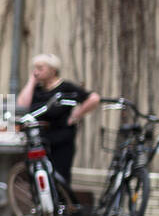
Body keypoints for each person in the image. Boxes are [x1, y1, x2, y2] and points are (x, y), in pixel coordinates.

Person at [16, 52, 100, 189]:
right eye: (34, 68)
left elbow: (94, 98)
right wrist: (31, 81)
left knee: (59, 177)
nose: (36, 72)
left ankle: (62, 206)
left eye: (40, 68)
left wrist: (76, 115)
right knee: (37, 176)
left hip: (61, 139)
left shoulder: (65, 87)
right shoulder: (36, 89)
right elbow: (22, 105)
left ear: (52, 70)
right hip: (39, 139)